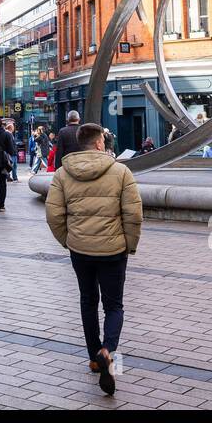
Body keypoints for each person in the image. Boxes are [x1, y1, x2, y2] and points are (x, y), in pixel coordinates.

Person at [44, 122, 143, 397]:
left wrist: (69, 240)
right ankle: (107, 350)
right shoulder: (121, 171)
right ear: (100, 143)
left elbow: (54, 215)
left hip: (80, 251)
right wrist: (129, 245)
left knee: (88, 301)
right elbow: (133, 215)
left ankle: (92, 356)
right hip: (113, 251)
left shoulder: (63, 174)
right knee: (114, 306)